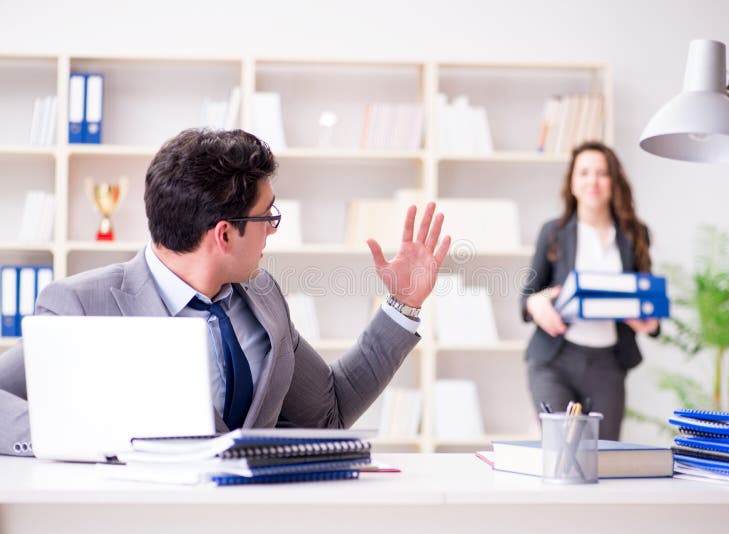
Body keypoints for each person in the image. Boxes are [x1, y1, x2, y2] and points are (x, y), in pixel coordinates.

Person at [0, 128, 451, 456]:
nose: (272, 230)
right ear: (224, 235)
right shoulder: (82, 305)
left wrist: (404, 304)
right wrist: (80, 435)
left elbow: (328, 412)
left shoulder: (263, 296)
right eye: (266, 216)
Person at [520, 141, 658, 440]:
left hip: (608, 364)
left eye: (601, 173)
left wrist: (650, 322)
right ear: (572, 182)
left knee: (602, 457)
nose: (592, 181)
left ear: (614, 182)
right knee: (562, 448)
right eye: (583, 173)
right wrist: (537, 305)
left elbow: (648, 296)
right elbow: (527, 296)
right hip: (555, 359)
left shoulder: (636, 234)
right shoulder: (553, 232)